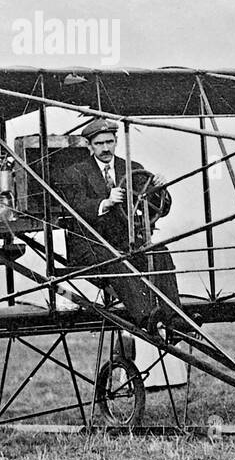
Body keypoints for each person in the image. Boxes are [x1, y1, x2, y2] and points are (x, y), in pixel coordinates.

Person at [57, 118, 181, 336]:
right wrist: (106, 202)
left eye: (109, 142)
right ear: (89, 145)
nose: (105, 148)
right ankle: (146, 317)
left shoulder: (132, 168)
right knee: (116, 261)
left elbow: (156, 208)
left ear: (116, 142)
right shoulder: (75, 173)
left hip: (126, 238)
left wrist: (160, 190)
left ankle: (175, 318)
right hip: (90, 244)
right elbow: (77, 206)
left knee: (159, 252)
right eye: (99, 144)